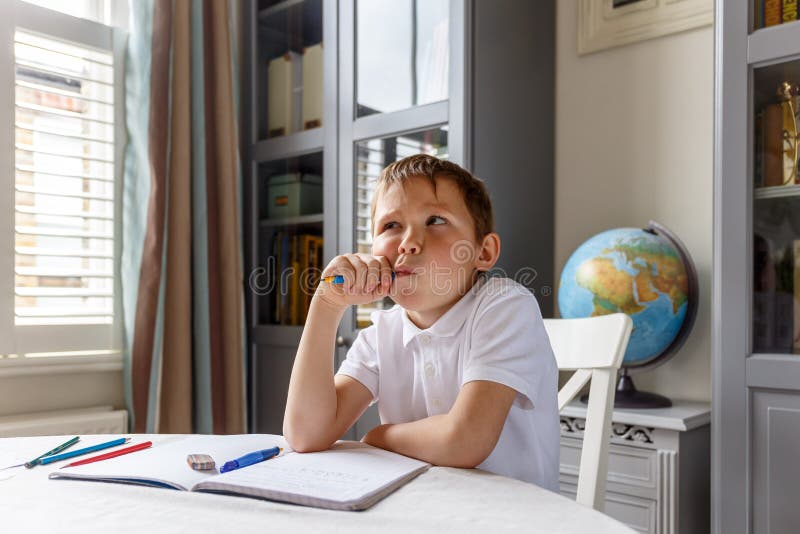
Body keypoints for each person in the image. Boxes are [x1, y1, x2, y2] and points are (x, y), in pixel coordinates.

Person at [283, 154, 559, 490]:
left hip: (512, 517)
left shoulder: (505, 305)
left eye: (436, 220)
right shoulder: (381, 333)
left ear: (483, 252)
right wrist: (326, 305)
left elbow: (465, 439)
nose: (409, 242)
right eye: (391, 226)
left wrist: (379, 436)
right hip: (423, 509)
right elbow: (305, 434)